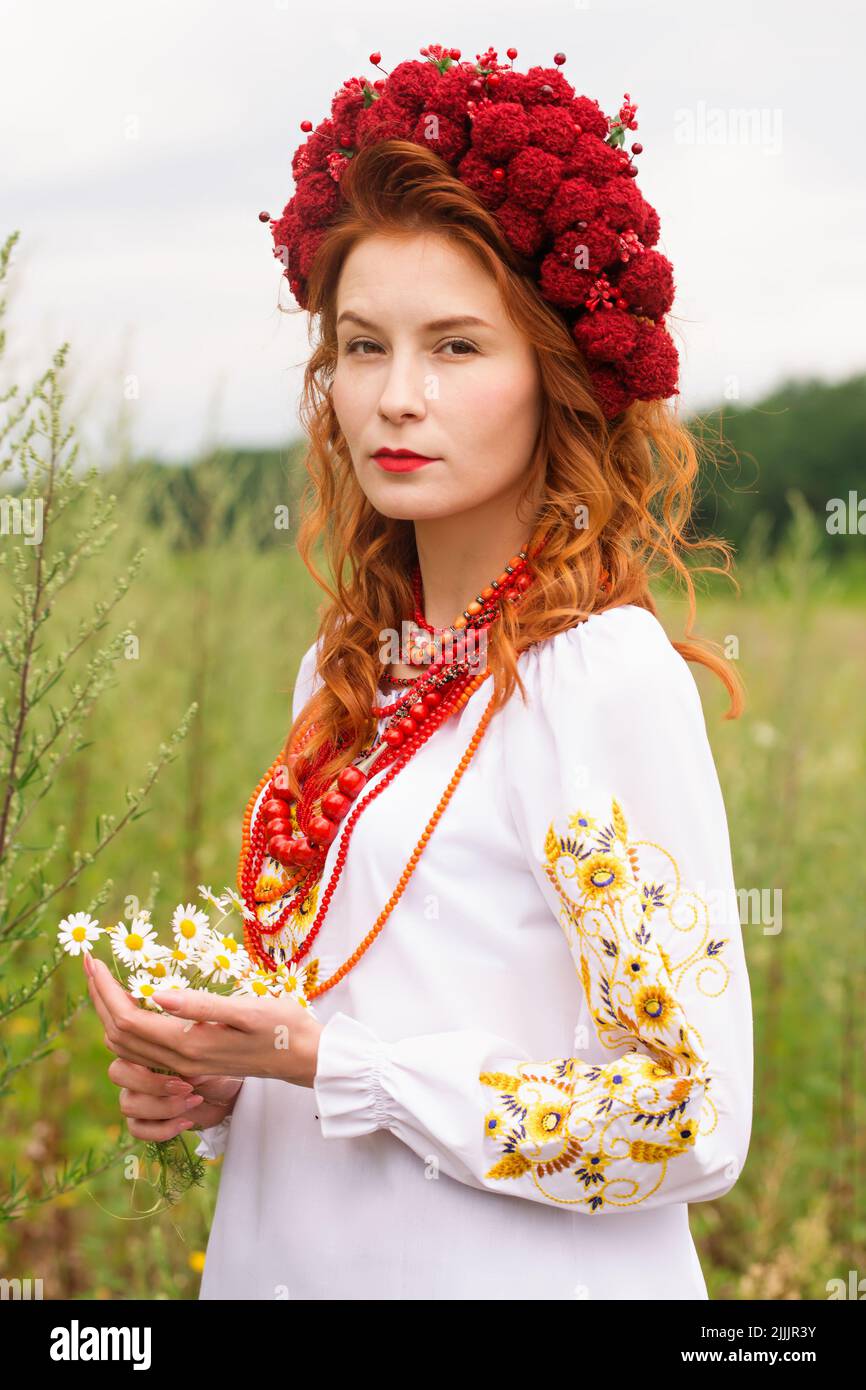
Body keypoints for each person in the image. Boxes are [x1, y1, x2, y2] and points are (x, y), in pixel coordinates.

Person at [92, 45, 753, 1300]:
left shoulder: (595, 680)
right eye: (360, 346)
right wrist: (237, 1075)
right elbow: (362, 1019)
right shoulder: (340, 675)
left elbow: (686, 1116)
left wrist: (340, 1065)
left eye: (454, 348)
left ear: (552, 374)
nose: (395, 398)